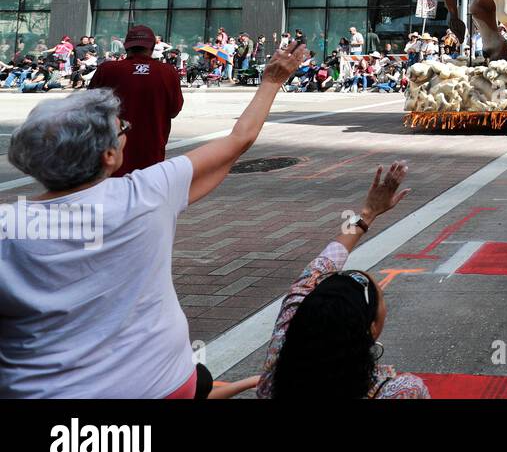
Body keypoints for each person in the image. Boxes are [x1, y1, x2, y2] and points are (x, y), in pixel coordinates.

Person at [1, 43, 310, 398]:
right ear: (109, 155)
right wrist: (271, 80)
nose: (126, 132)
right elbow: (239, 140)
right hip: (159, 384)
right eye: (122, 129)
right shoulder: (146, 195)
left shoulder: (9, 224)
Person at [257, 163, 428, 399]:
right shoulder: (401, 391)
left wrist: (366, 215)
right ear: (371, 329)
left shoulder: (277, 364)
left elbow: (321, 265)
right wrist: (368, 213)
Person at [89, 25, 184, 177]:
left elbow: (90, 108)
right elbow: (174, 110)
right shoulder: (167, 72)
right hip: (152, 153)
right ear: (152, 47)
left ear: (126, 47)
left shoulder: (107, 70)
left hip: (111, 153)